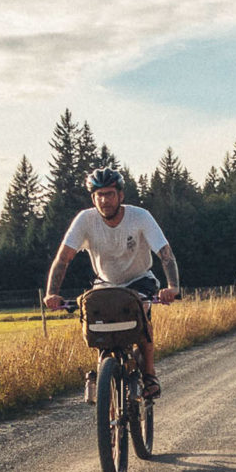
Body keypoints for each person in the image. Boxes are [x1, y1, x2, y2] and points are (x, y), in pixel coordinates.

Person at [43, 167, 181, 399]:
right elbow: (63, 258)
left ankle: (148, 373)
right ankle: (104, 372)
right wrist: (51, 293)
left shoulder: (140, 216)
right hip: (105, 283)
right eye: (100, 195)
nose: (105, 200)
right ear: (93, 198)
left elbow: (165, 254)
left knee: (141, 314)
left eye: (109, 194)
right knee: (95, 320)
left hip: (140, 280)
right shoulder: (85, 220)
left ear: (120, 196)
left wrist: (173, 287)